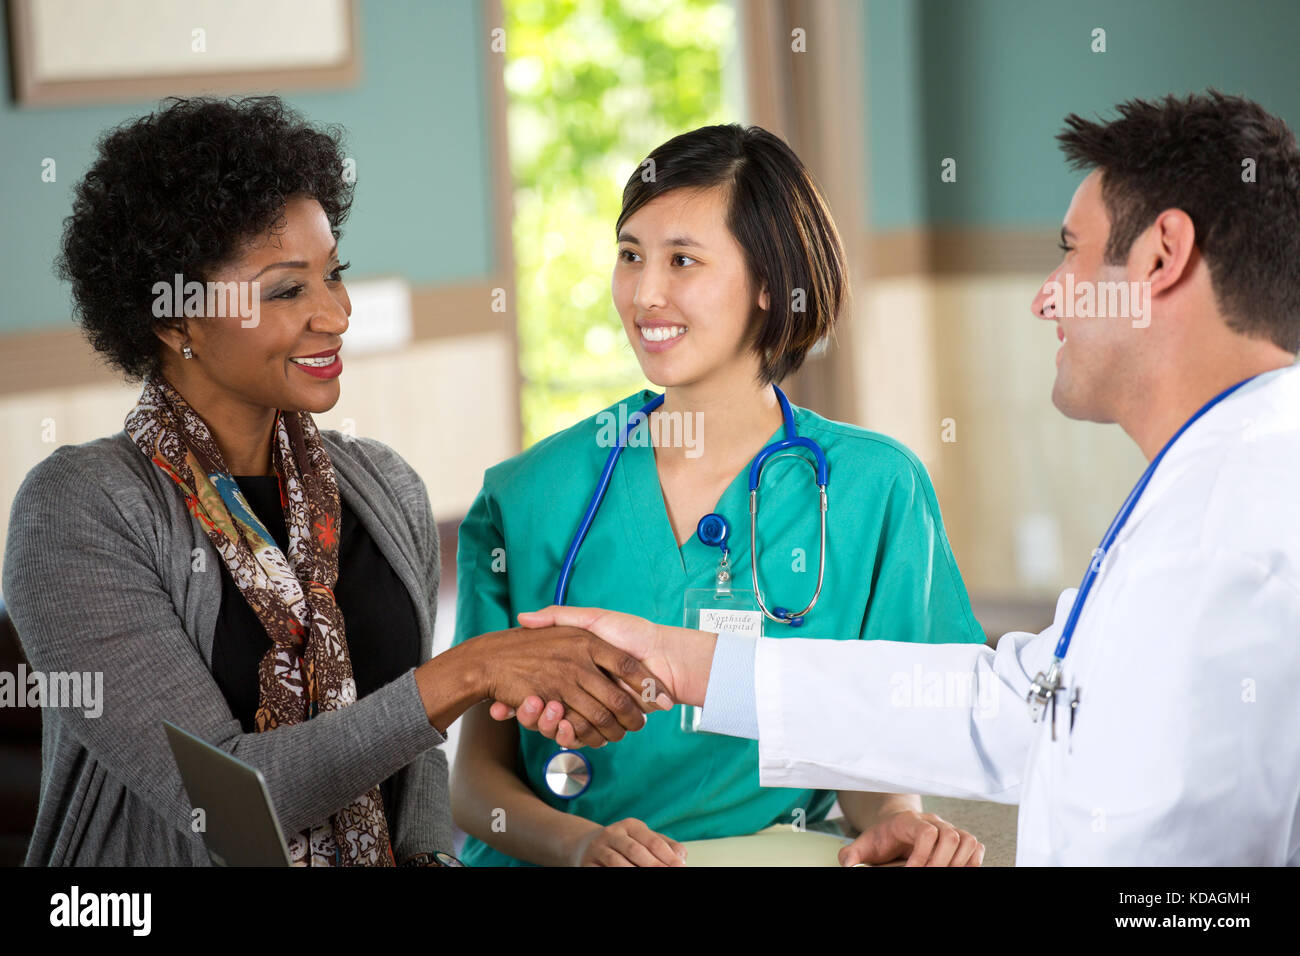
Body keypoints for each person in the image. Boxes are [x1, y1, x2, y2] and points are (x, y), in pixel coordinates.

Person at [504, 91, 1300, 866]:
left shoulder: (1236, 529)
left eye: (1071, 249)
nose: (1045, 295)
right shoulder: (1216, 484)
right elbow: (1013, 707)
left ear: (1162, 255)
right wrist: (689, 663)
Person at [2, 96, 668, 867]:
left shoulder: (385, 490)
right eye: (287, 291)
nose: (336, 313)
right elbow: (220, 803)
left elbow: (415, 770)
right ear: (174, 319)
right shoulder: (77, 510)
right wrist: (470, 670)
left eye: (334, 274)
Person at [452, 124, 988, 867]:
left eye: (682, 261)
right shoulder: (531, 493)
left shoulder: (875, 490)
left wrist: (897, 820)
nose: (645, 293)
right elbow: (474, 783)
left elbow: (879, 730)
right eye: (630, 255)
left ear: (771, 282)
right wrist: (583, 848)